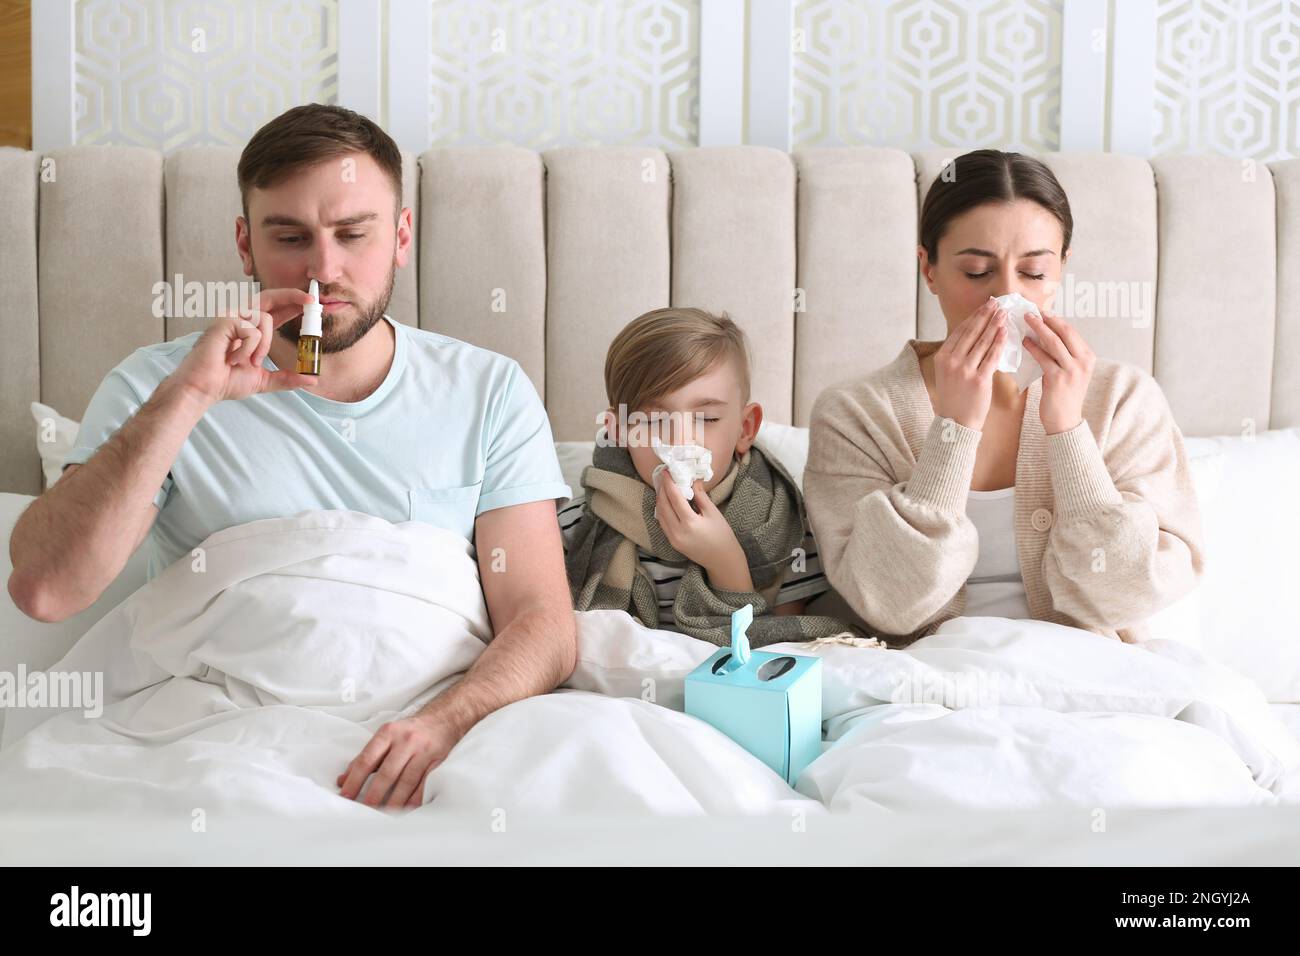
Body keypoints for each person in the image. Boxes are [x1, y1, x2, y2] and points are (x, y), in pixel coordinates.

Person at [6, 103, 576, 810]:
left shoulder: (489, 390)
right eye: (291, 237)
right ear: (245, 246)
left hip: (436, 727)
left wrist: (443, 724)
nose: (323, 269)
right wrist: (188, 397)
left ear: (401, 237)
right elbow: (46, 590)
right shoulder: (159, 387)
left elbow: (543, 623)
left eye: (352, 234)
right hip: (222, 737)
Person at [803, 149, 1203, 646]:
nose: (1006, 298)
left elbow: (1125, 597)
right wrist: (954, 430)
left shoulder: (1123, 399)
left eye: (1034, 274)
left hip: (1084, 677)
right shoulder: (855, 413)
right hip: (919, 682)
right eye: (976, 272)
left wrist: (1068, 430)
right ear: (929, 269)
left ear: (1061, 270)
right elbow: (889, 604)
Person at [561, 306, 848, 647]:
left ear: (745, 429)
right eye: (653, 420)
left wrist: (725, 561)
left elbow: (776, 650)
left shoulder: (786, 530)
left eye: (707, 418)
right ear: (619, 431)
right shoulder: (574, 528)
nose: (681, 439)